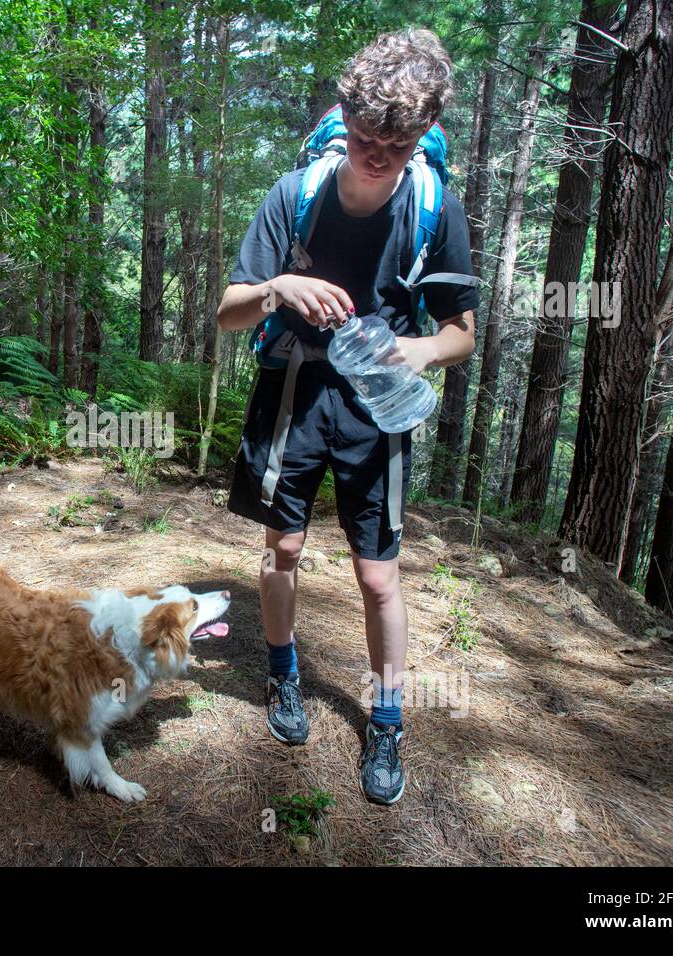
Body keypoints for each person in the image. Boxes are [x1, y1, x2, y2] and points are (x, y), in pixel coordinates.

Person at [215, 29, 480, 805]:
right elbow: (229, 312)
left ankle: (388, 717)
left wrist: (417, 350)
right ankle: (282, 675)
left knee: (376, 575)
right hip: (292, 388)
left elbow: (462, 335)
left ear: (420, 138)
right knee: (284, 546)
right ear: (347, 120)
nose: (376, 157)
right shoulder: (295, 192)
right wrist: (280, 289)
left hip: (377, 403)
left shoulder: (436, 208)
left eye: (396, 147)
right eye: (366, 138)